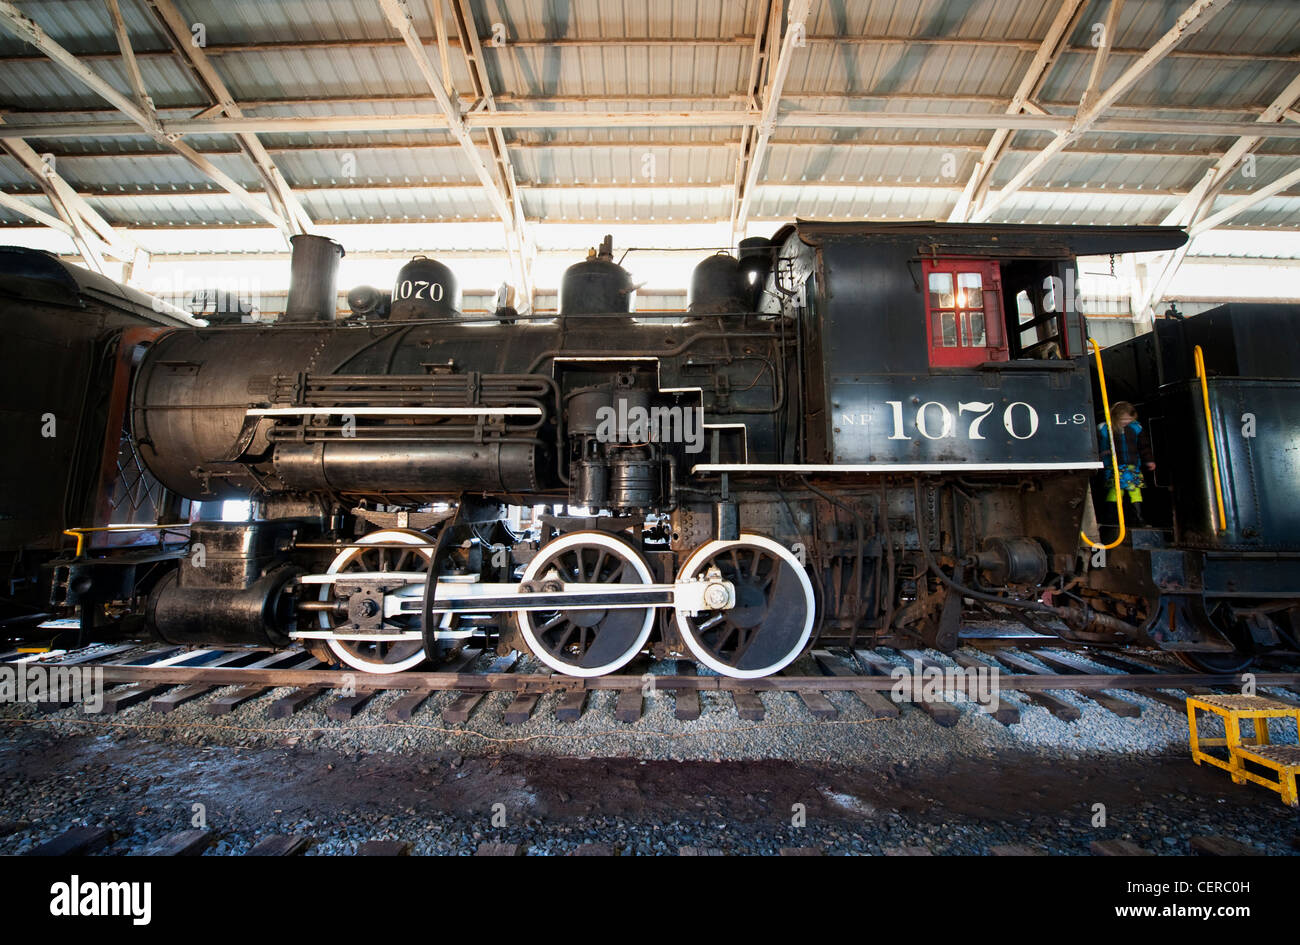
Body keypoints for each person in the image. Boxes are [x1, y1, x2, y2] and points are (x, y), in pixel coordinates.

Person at [1098, 401, 1156, 525]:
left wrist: (1149, 460)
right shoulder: (1106, 429)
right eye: (1123, 419)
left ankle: (1139, 519)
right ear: (1115, 417)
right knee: (1115, 491)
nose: (1126, 422)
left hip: (1132, 466)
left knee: (1135, 491)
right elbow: (1101, 446)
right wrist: (1102, 456)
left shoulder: (1135, 428)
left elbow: (1144, 447)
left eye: (1129, 420)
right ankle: (1111, 518)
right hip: (1114, 466)